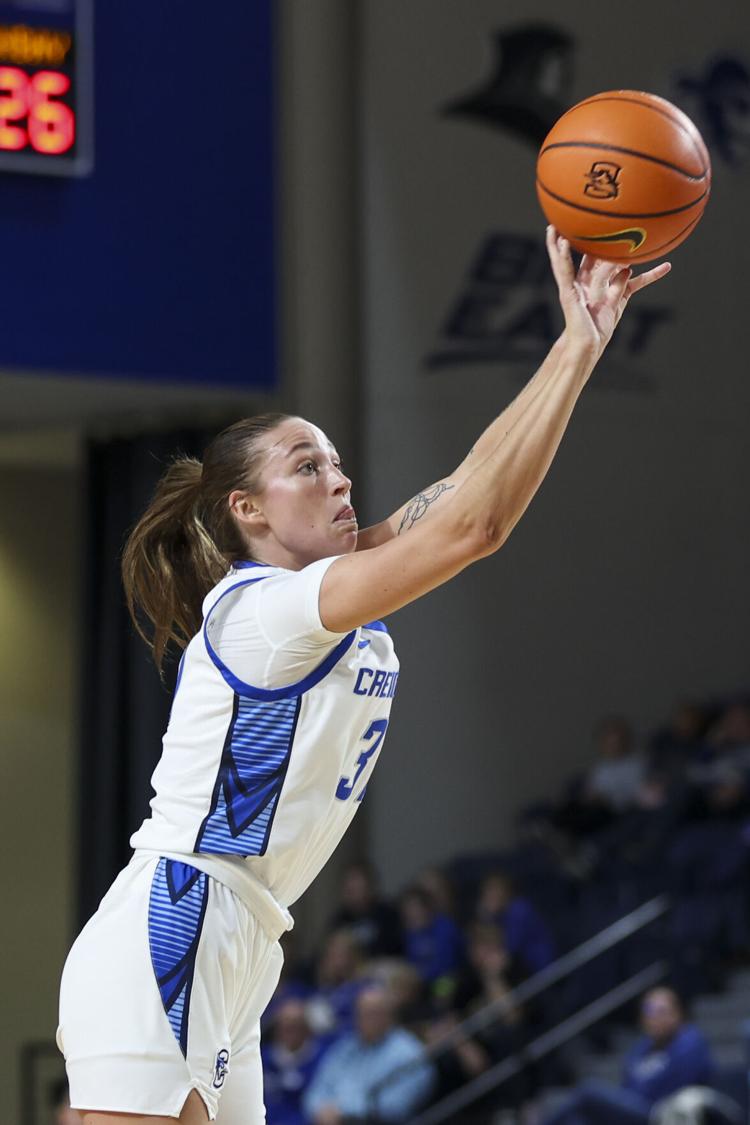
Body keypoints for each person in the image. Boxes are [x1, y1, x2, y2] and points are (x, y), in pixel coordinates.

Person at [56, 229, 670, 1124]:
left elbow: (465, 494)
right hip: (177, 920)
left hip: (241, 940)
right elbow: (475, 530)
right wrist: (575, 347)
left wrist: (580, 344)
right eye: (309, 467)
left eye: (340, 464)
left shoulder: (320, 589)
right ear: (247, 508)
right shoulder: (260, 608)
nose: (341, 481)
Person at [540, 987, 714, 1124]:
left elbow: (679, 1087)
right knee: (582, 1119)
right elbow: (627, 1086)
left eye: (661, 1011)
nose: (654, 1018)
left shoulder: (690, 1043)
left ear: (677, 1014)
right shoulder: (642, 1049)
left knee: (588, 1092)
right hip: (635, 1111)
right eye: (649, 1011)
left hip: (663, 1115)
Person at [302, 985, 434, 1123]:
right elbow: (316, 1090)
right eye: (361, 1014)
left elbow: (397, 1105)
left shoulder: (409, 1053)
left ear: (390, 1015)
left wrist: (342, 1113)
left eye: (373, 1013)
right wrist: (320, 1110)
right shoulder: (345, 1048)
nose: (365, 1019)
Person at [261, 999, 332, 1125]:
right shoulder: (263, 1058)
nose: (290, 1032)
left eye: (295, 1026)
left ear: (306, 1028)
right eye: (285, 1026)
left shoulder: (321, 1060)